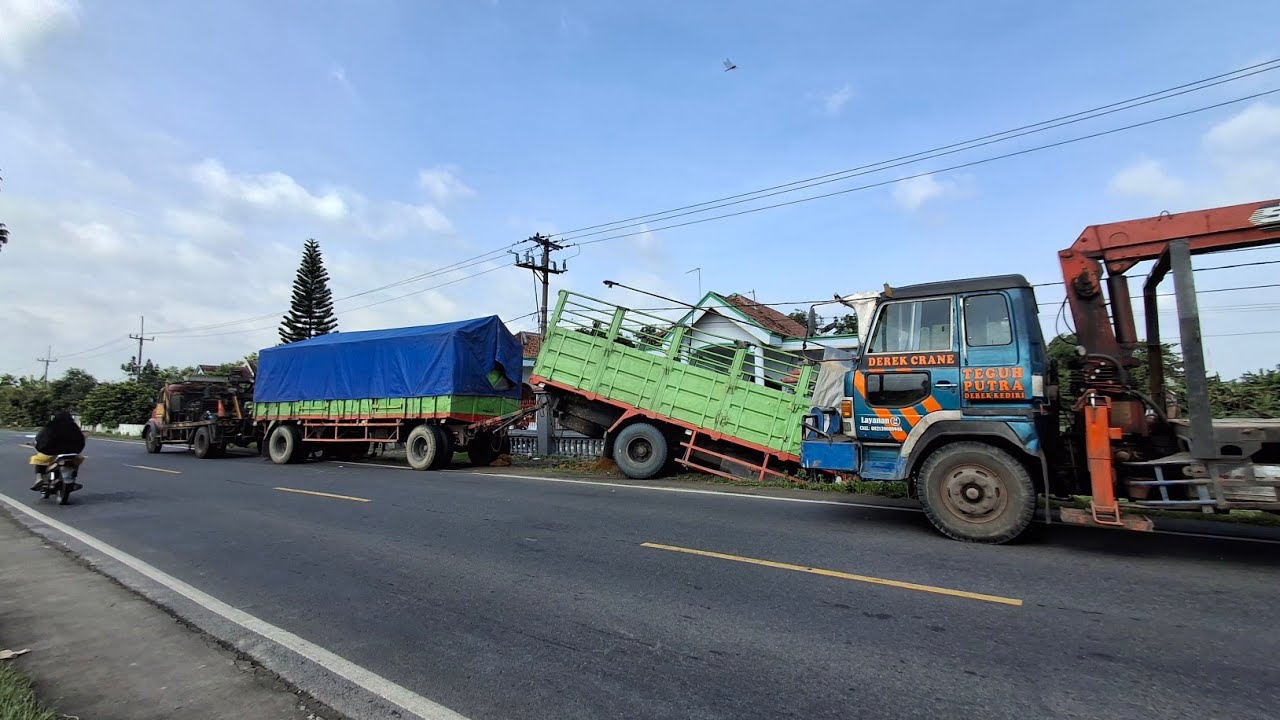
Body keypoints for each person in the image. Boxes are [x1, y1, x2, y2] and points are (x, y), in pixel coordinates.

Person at [30, 411, 86, 491]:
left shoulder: (51, 426)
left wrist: (38, 445)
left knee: (39, 459)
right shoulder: (74, 426)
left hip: (51, 452)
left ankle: (39, 478)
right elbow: (81, 440)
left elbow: (41, 438)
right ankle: (72, 480)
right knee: (76, 463)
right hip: (70, 453)